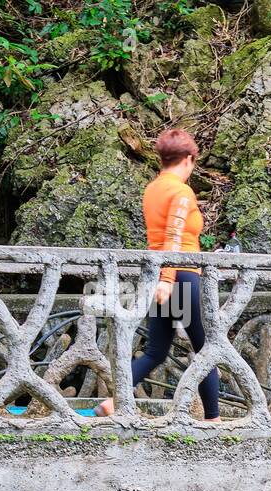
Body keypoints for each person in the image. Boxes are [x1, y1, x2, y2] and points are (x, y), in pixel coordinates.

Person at [96, 128, 220, 421]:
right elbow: (174, 236)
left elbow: (161, 237)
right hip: (181, 278)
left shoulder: (152, 189)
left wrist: (161, 280)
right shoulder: (181, 191)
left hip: (159, 277)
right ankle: (214, 420)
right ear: (188, 159)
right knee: (207, 351)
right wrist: (168, 279)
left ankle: (114, 402)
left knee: (155, 352)